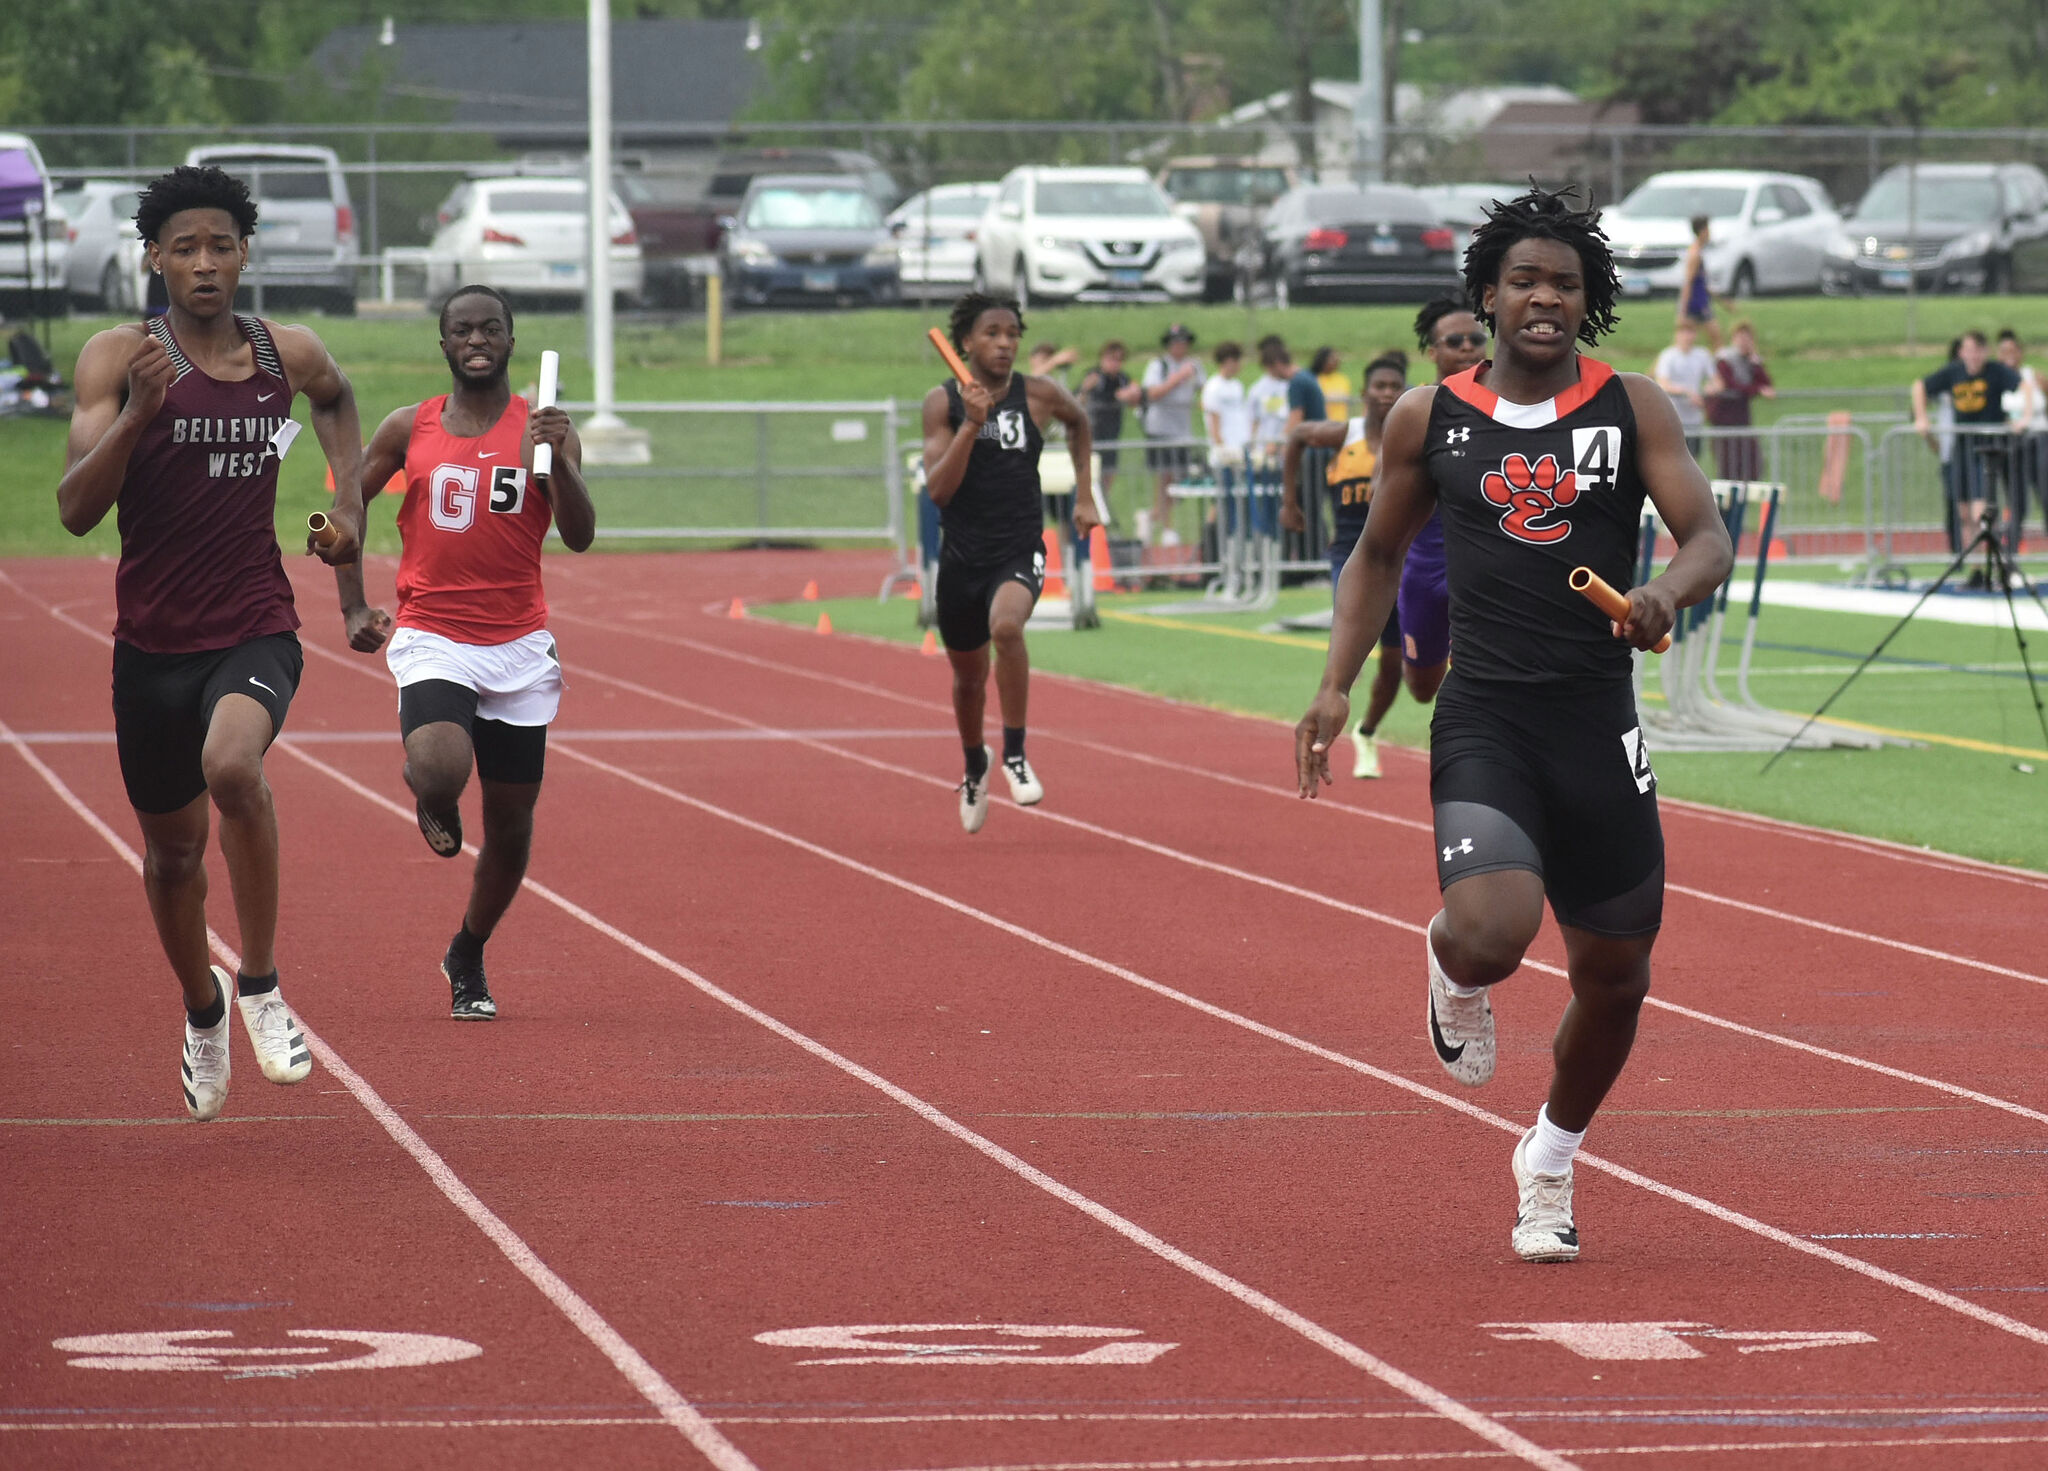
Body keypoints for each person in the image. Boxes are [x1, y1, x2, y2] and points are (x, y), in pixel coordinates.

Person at [1294, 186, 1733, 1263]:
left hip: (1595, 722)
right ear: (1485, 295)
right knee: (1493, 930)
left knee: (1615, 980)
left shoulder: (1632, 405)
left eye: (1564, 284)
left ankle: (1546, 1158)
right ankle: (1451, 968)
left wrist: (1666, 594)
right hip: (1485, 714)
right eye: (1524, 280)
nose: (1543, 298)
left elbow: (1705, 536)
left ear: (1587, 304)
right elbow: (1377, 557)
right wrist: (1333, 682)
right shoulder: (1426, 416)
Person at [55, 164, 368, 1121]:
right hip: (151, 644)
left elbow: (338, 397)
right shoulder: (116, 357)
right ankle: (205, 1006)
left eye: (220, 247)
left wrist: (347, 507)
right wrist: (142, 416)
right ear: (152, 257)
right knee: (173, 861)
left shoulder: (285, 352)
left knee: (235, 767)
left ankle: (263, 983)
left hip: (254, 621)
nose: (202, 264)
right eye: (183, 248)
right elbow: (73, 510)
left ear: (244, 256)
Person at [332, 284, 595, 1020]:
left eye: (490, 328)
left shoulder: (544, 428)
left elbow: (578, 533)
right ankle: (431, 787)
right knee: (444, 765)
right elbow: (346, 510)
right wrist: (352, 601)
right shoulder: (407, 426)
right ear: (443, 344)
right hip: (432, 634)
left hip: (517, 642)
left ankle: (468, 949)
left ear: (511, 340)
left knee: (510, 828)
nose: (476, 339)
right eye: (461, 330)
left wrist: (558, 464)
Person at [923, 291, 1096, 832]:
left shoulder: (1039, 394)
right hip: (962, 555)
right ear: (966, 342)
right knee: (968, 679)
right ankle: (977, 763)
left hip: (1018, 545)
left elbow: (1081, 424)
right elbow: (939, 492)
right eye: (992, 334)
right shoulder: (942, 403)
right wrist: (973, 425)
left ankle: (1016, 753)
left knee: (1007, 627)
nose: (1004, 344)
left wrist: (1085, 495)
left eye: (1012, 334)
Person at [1280, 351, 1409, 776]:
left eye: (1395, 387)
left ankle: (1367, 730)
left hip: (1398, 555)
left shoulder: (1410, 434)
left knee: (1394, 666)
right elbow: (1297, 434)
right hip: (1350, 551)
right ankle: (1326, 715)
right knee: (1349, 643)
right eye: (1380, 386)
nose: (1387, 394)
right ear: (1364, 393)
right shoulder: (1346, 433)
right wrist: (1290, 501)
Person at [1912, 329, 2020, 585]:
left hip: (1986, 449)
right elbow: (1919, 385)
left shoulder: (1995, 372)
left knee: (1980, 513)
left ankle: (1997, 564)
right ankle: (1976, 569)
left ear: (1984, 351)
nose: (1971, 356)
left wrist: (2022, 418)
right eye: (1967, 350)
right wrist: (1921, 417)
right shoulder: (1954, 372)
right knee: (1963, 513)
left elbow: (2023, 385)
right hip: (1961, 450)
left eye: (1975, 350)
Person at [1139, 324, 1204, 546]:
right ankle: (1167, 528)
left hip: (1183, 430)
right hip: (1161, 429)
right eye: (1176, 343)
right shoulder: (1159, 365)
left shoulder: (1195, 365)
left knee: (1182, 480)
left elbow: (1203, 390)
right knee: (1165, 478)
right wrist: (1178, 378)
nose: (1181, 347)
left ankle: (1152, 515)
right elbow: (1152, 393)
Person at [1706, 319, 1775, 482]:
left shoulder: (1751, 360)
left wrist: (1756, 364)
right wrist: (1756, 390)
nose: (1744, 342)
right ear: (1734, 339)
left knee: (1752, 464)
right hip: (1723, 419)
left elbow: (1766, 383)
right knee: (1728, 467)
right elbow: (1730, 385)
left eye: (1748, 338)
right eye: (1740, 338)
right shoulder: (1724, 360)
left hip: (1742, 419)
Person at [1201, 341, 1257, 541]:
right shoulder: (1213, 387)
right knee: (1222, 502)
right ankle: (1211, 543)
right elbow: (1214, 420)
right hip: (1225, 455)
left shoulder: (1237, 386)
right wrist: (1221, 447)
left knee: (1238, 501)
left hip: (1239, 452)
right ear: (1229, 361)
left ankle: (1237, 540)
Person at [1996, 328, 2042, 559]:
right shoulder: (1996, 380)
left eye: (2013, 350)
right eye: (2004, 351)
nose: (2009, 355)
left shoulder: (2032, 376)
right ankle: (2010, 558)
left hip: (2039, 443)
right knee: (2016, 503)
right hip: (2012, 447)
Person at [1076, 340, 1130, 513]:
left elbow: (1137, 394)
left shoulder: (1123, 379)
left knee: (1108, 477)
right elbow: (1076, 400)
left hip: (1112, 435)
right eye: (1111, 359)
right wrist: (1085, 389)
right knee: (1092, 479)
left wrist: (1131, 395)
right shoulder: (1094, 377)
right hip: (1093, 436)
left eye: (1119, 360)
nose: (1114, 363)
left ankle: (1100, 511)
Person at [1654, 318, 1720, 460]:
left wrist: (1710, 388)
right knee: (1673, 460)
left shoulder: (1702, 355)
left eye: (1691, 332)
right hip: (1673, 419)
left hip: (1695, 420)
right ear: (1677, 335)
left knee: (1693, 460)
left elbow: (1717, 381)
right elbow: (1663, 383)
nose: (1687, 336)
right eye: (1684, 332)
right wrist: (1687, 392)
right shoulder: (1668, 355)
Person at [1675, 214, 1720, 349]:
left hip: (1700, 302)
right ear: (1702, 231)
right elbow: (1688, 282)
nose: (1710, 233)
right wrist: (1682, 311)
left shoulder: (1698, 252)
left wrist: (1724, 302)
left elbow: (1702, 283)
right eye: (1708, 230)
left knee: (1688, 342)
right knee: (1716, 339)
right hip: (1695, 304)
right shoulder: (1695, 254)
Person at [1312, 345, 1352, 422]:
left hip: (1341, 422)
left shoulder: (1343, 380)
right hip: (1322, 422)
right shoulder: (1315, 379)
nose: (1336, 361)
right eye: (1332, 359)